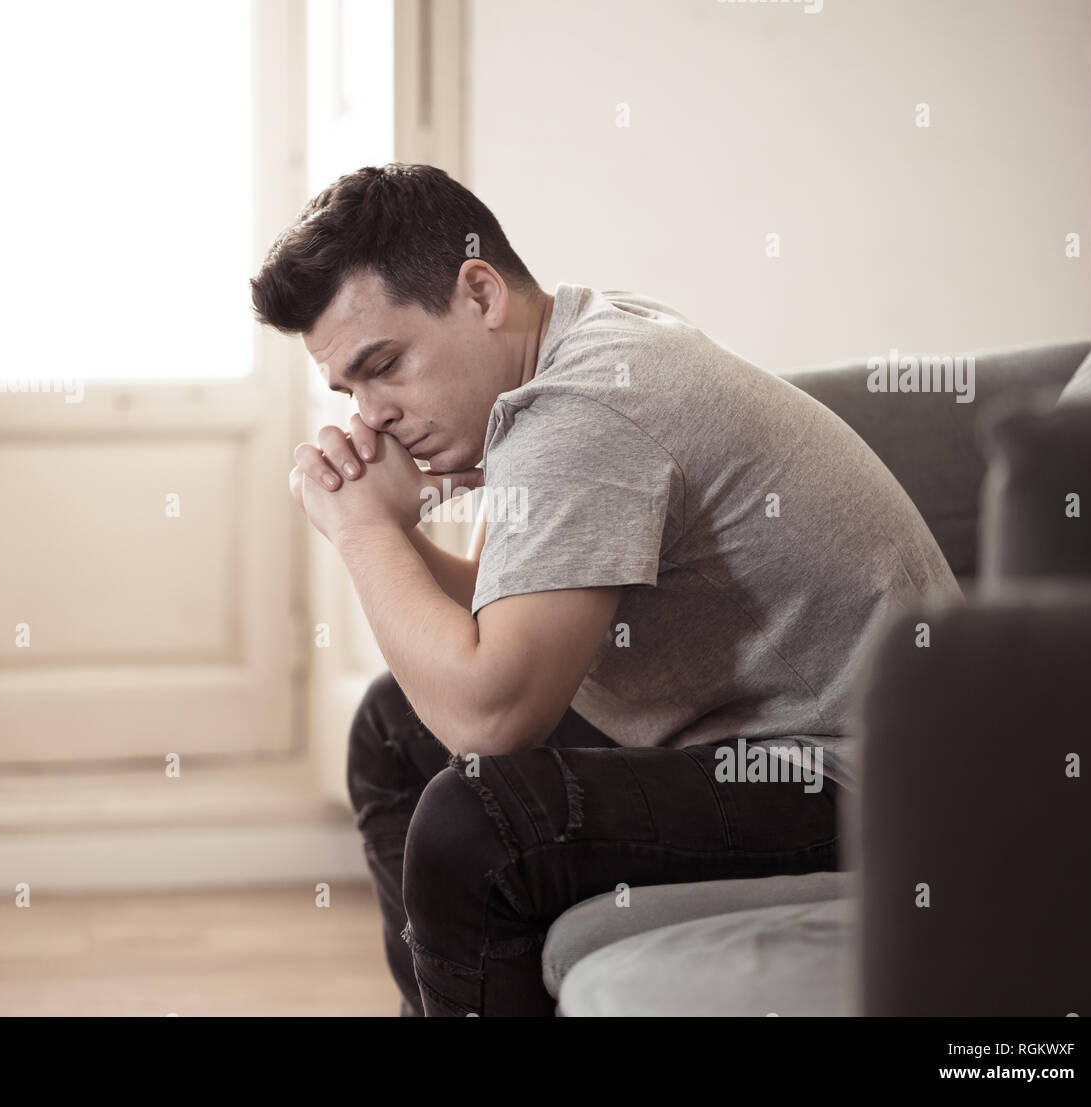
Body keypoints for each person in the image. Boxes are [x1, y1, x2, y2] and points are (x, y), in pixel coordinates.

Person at [250, 163, 962, 1017]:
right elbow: (510, 609)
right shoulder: (584, 334)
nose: (371, 416)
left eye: (386, 364)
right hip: (773, 740)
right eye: (350, 390)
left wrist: (364, 532)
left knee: (477, 822)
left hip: (877, 776)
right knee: (394, 727)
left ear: (479, 293)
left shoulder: (579, 411)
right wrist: (390, 526)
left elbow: (491, 717)